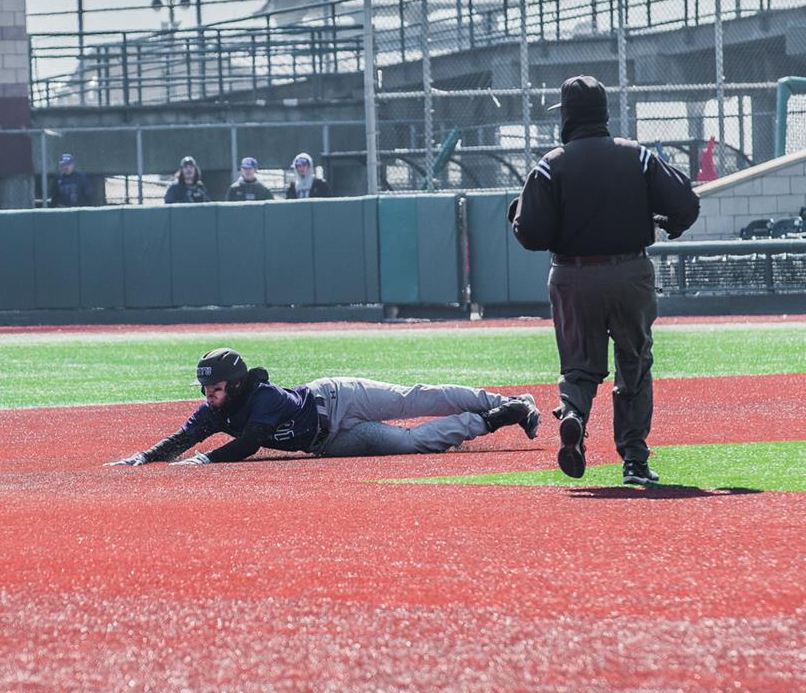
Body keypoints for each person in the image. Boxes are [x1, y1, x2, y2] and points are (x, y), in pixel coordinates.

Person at [509, 75, 700, 485]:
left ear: (567, 117)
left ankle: (574, 414)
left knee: (578, 368)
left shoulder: (551, 163)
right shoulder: (637, 156)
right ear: (604, 114)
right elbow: (686, 203)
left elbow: (530, 234)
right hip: (629, 272)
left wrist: (518, 215)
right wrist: (671, 223)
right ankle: (634, 460)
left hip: (571, 276)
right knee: (633, 363)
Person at [106, 348, 540, 466]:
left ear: (235, 384)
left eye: (216, 389)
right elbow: (185, 436)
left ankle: (507, 400)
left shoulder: (264, 397)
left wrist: (203, 459)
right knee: (411, 444)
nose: (209, 398)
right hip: (331, 441)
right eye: (206, 391)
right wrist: (144, 457)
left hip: (339, 396)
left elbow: (250, 443)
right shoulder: (215, 411)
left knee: (415, 398)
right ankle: (493, 420)